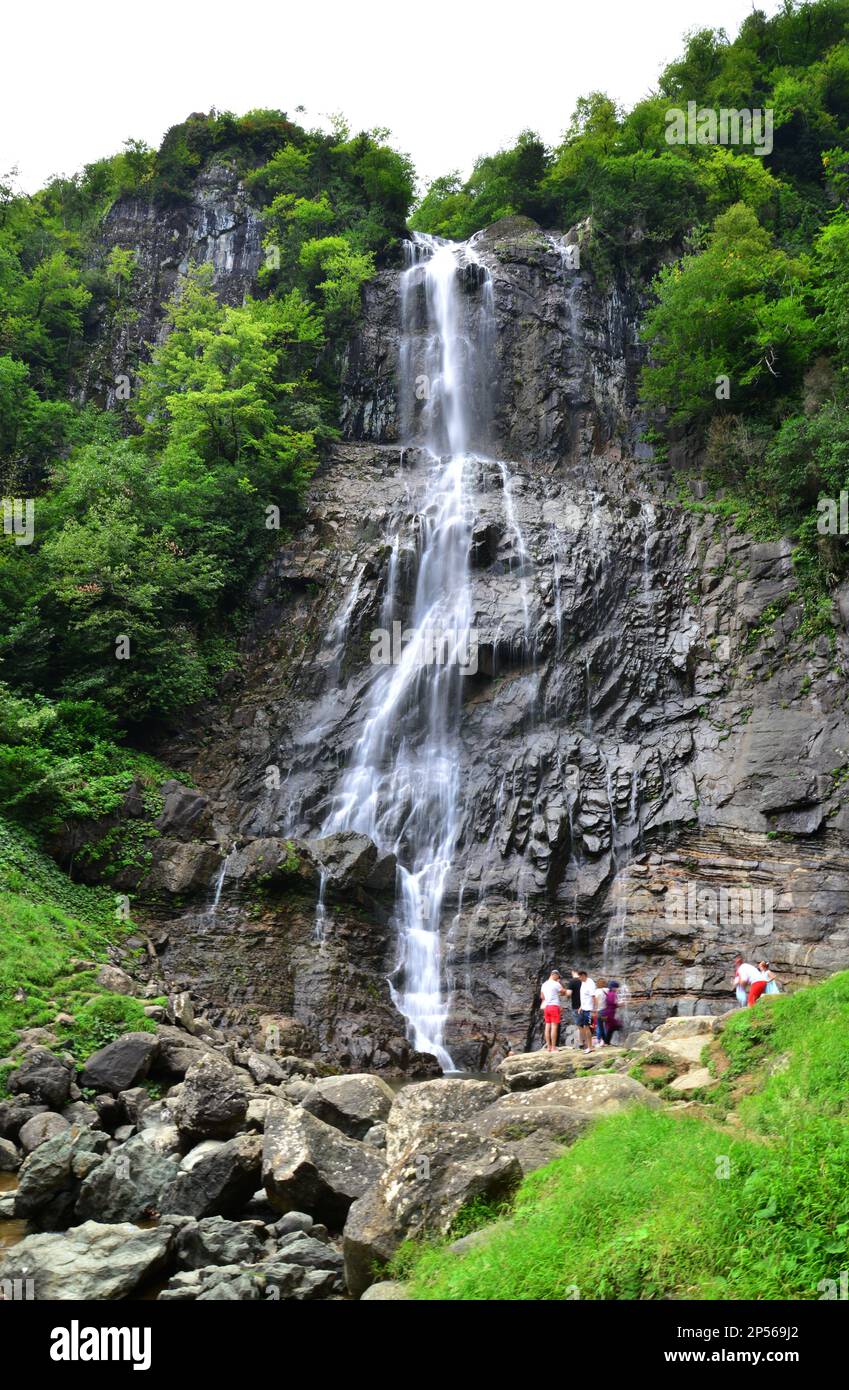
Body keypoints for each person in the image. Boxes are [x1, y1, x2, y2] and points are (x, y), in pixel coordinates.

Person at [540, 969, 566, 1053]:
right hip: (554, 1006)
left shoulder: (544, 984)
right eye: (558, 976)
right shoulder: (556, 984)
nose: (558, 978)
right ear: (555, 975)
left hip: (546, 1007)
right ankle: (554, 1048)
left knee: (547, 1026)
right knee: (554, 1027)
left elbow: (542, 997)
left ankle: (548, 1047)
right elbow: (563, 992)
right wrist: (559, 986)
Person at [577, 970, 597, 1053]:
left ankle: (590, 1047)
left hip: (589, 1009)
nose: (579, 978)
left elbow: (593, 997)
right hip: (584, 1008)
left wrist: (594, 1009)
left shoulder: (590, 983)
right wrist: (581, 1006)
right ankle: (588, 1045)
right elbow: (584, 996)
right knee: (580, 1025)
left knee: (586, 1027)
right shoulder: (583, 983)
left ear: (584, 975)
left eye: (580, 977)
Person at [602, 979, 623, 1044]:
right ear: (613, 988)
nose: (618, 989)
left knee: (610, 1028)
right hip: (609, 1014)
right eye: (617, 987)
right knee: (618, 1026)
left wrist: (618, 1005)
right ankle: (607, 1042)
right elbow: (612, 1002)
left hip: (606, 1014)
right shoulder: (612, 994)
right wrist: (620, 1004)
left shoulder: (609, 993)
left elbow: (611, 1003)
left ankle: (606, 1042)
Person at [568, 970, 583, 1048]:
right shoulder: (584, 981)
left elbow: (568, 993)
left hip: (576, 1006)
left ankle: (580, 1042)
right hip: (585, 1006)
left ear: (573, 972)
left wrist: (564, 993)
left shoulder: (572, 981)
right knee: (585, 1024)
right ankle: (586, 1042)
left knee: (578, 1024)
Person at [594, 977, 608, 1045]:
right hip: (606, 1010)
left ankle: (599, 1040)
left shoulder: (597, 991)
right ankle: (605, 1041)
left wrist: (595, 1010)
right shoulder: (608, 990)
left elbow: (596, 1001)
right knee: (605, 1026)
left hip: (599, 1010)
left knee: (599, 1026)